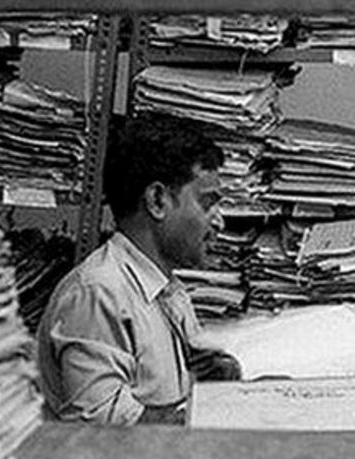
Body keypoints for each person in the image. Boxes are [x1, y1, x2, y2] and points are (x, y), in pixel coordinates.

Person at [36, 112, 237, 426]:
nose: (219, 221)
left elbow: (170, 399)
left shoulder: (168, 291)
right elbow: (103, 431)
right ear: (157, 200)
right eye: (207, 203)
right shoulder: (99, 293)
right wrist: (227, 412)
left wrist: (227, 385)